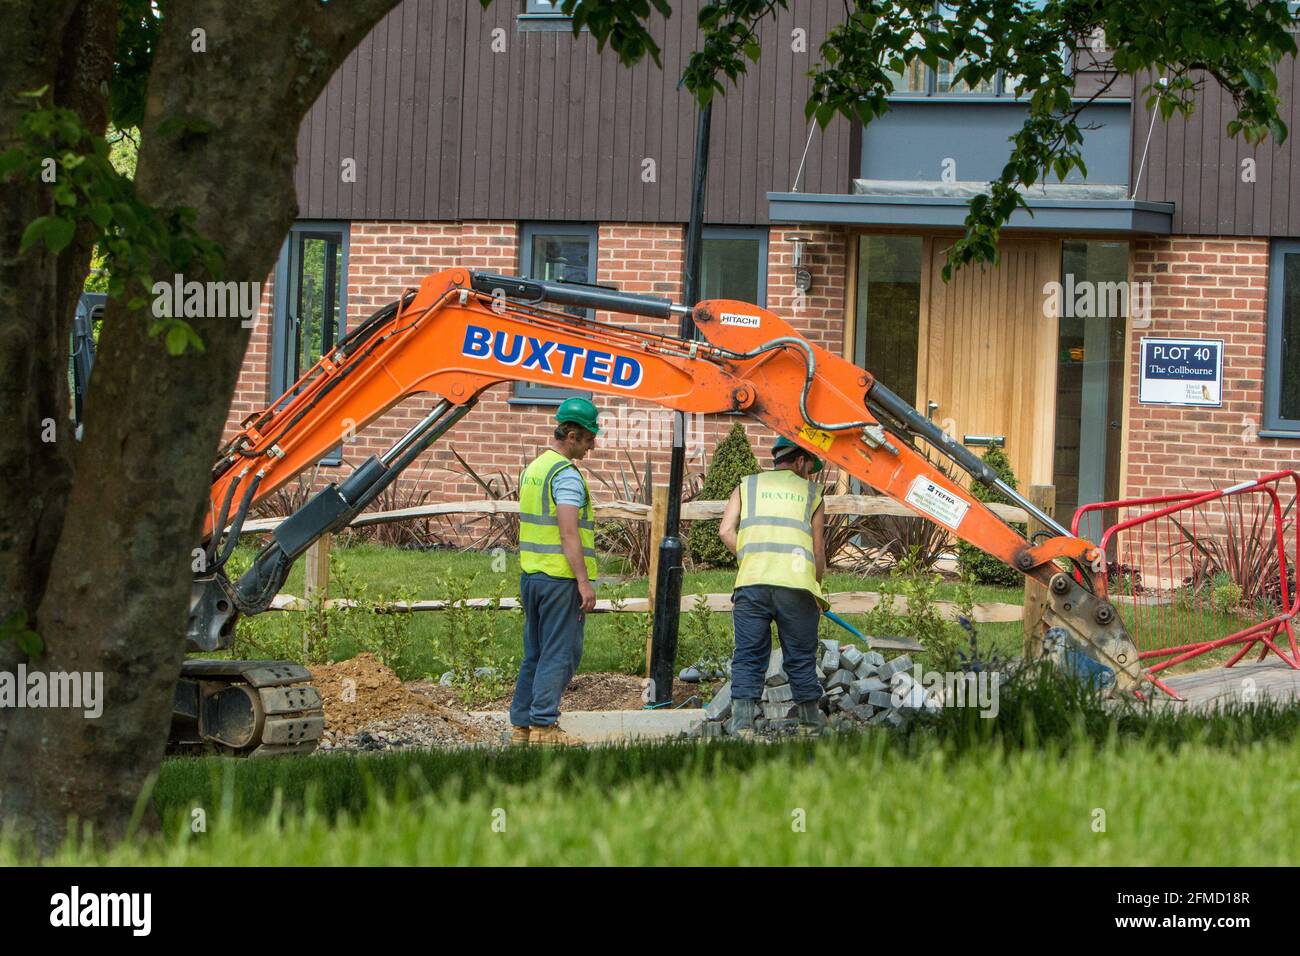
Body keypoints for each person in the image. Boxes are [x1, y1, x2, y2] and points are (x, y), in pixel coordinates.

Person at [718, 435, 828, 738]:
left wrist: (752, 556)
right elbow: (818, 552)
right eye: (810, 467)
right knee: (800, 654)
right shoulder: (812, 493)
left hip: (752, 584)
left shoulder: (747, 485)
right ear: (802, 461)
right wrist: (814, 586)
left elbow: (726, 530)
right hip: (796, 588)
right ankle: (809, 724)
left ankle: (743, 726)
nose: (810, 474)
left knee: (748, 654)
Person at [509, 397, 600, 745]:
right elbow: (568, 531)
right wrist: (583, 581)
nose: (594, 444)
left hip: (531, 576)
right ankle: (545, 727)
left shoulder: (534, 469)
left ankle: (521, 726)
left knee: (534, 652)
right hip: (560, 580)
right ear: (573, 435)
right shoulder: (566, 475)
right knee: (559, 653)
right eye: (590, 437)